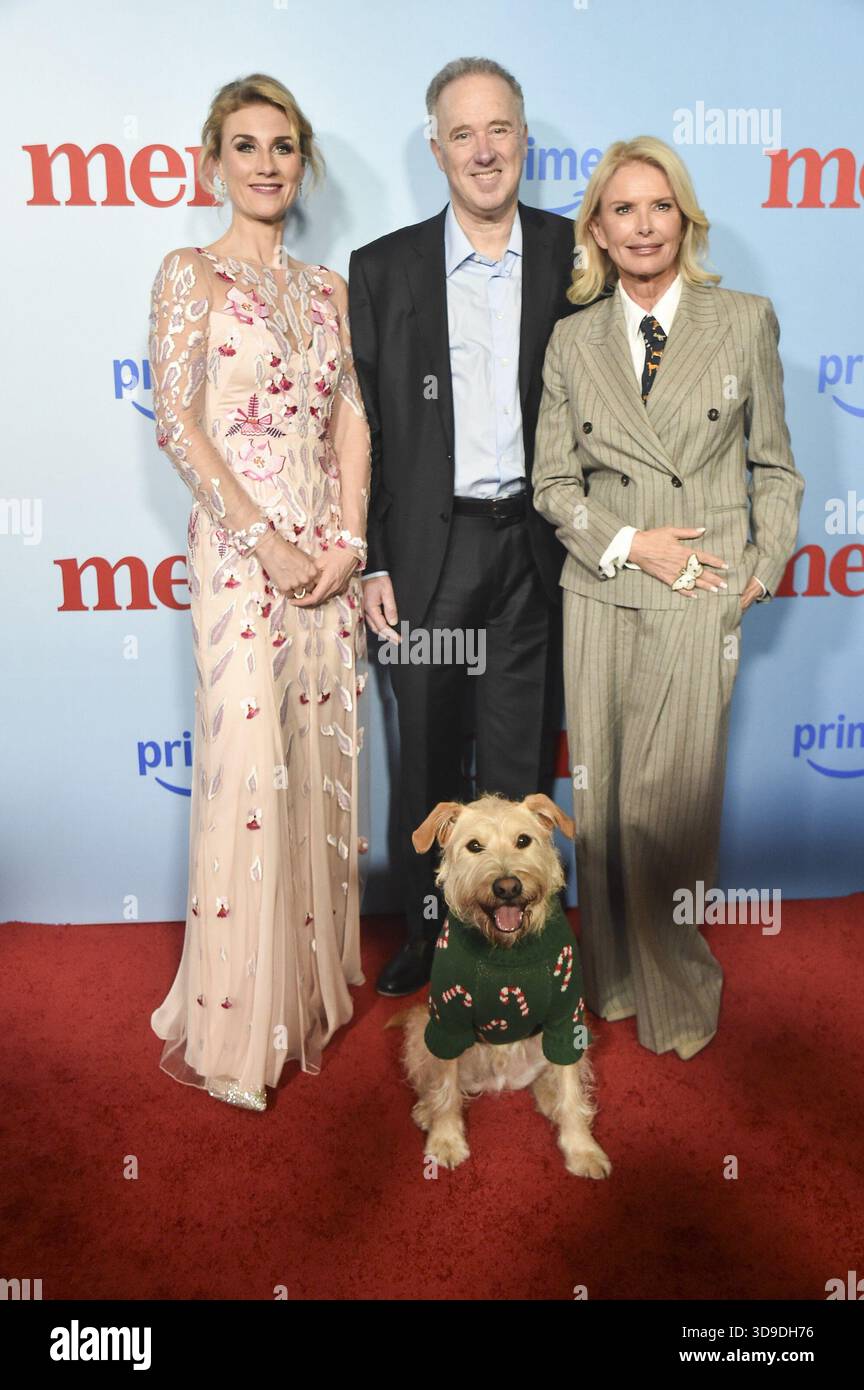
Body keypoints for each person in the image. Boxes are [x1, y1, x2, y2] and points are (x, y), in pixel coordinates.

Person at [532, 136, 804, 1059]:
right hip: (603, 585)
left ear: (683, 220)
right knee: (603, 799)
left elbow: (775, 465)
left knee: (670, 805)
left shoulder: (744, 320)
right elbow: (551, 483)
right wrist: (624, 543)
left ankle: (678, 994)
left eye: (660, 207)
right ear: (598, 233)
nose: (642, 226)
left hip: (701, 587)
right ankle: (610, 980)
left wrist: (758, 573)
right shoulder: (572, 339)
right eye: (623, 211)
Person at [148, 75, 371, 1109]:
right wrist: (264, 541)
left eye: (283, 145)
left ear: (303, 160)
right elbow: (177, 422)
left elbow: (352, 420)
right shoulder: (188, 273)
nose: (267, 162)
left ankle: (304, 993)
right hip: (242, 559)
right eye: (246, 145)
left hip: (325, 557)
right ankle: (238, 1031)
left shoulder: (327, 288)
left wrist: (347, 543)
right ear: (215, 161)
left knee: (315, 760)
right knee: (249, 771)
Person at [349, 57, 577, 996]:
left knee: (521, 765)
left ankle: (517, 945)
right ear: (437, 147)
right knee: (431, 761)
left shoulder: (575, 254)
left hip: (533, 547)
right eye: (463, 133)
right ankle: (428, 936)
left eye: (500, 130)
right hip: (426, 557)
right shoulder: (383, 266)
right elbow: (356, 424)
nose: (484, 151)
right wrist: (367, 558)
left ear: (523, 138)